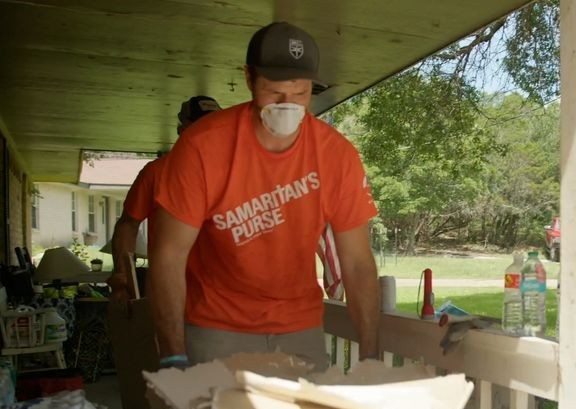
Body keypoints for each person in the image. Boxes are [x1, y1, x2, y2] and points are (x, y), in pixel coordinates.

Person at [149, 21, 380, 371]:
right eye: (274, 92)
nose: (288, 105)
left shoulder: (336, 155)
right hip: (216, 327)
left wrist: (371, 355)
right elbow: (168, 256)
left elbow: (358, 264)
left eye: (301, 93)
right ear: (249, 79)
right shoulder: (201, 148)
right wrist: (173, 355)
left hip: (299, 326)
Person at [108, 96, 221, 306]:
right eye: (199, 124)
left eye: (212, 125)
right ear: (182, 129)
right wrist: (123, 277)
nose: (207, 132)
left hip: (221, 296)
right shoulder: (157, 172)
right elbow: (128, 225)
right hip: (169, 293)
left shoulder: (232, 173)